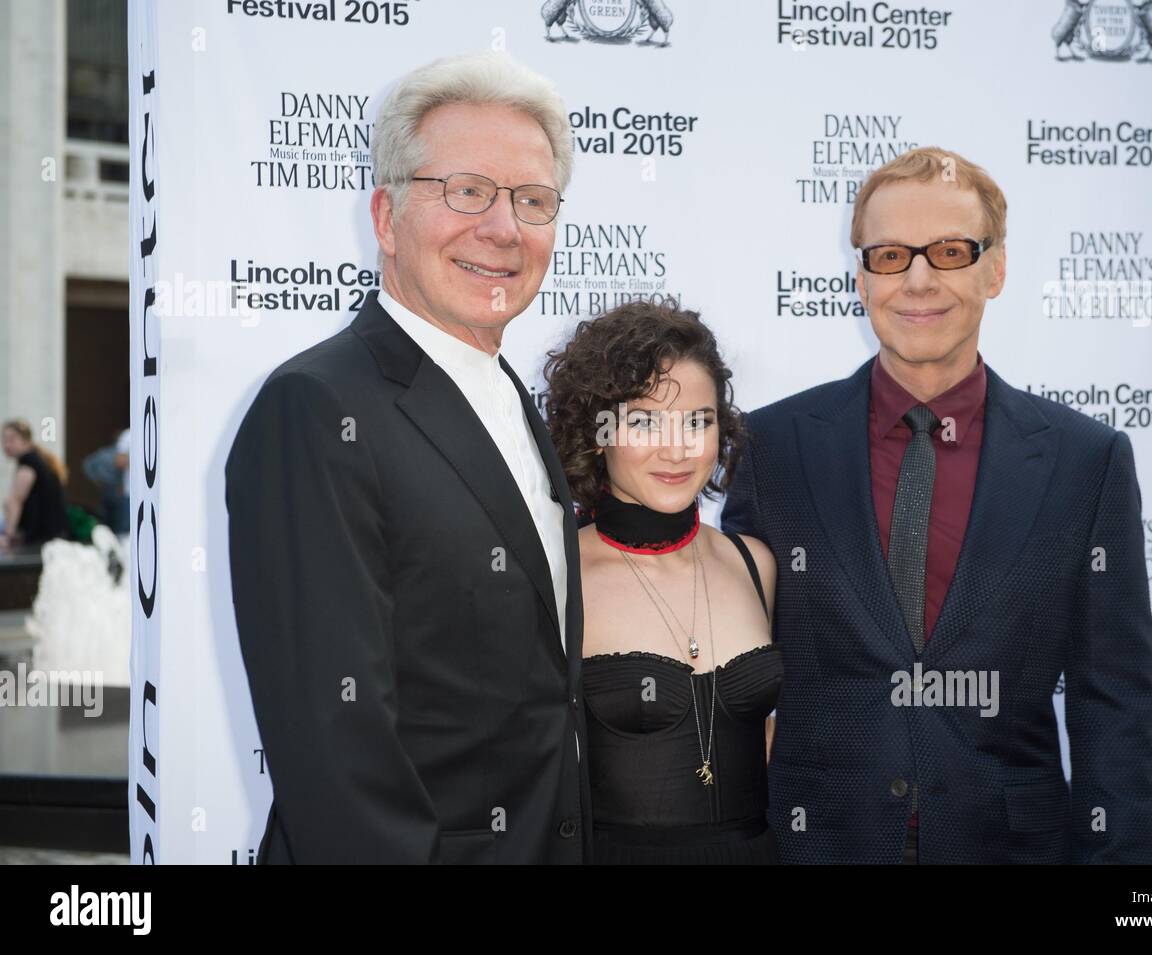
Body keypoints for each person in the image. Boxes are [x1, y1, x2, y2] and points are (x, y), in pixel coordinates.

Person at [722, 146, 1152, 864]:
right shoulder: (772, 447)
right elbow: (735, 671)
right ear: (861, 277)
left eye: (951, 251)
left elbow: (1115, 704)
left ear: (997, 269)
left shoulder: (1086, 461)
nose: (918, 279)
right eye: (890, 254)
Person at [225, 52, 588, 864]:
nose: (502, 229)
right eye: (466, 191)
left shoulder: (511, 402)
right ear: (386, 218)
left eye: (532, 200)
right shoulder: (315, 407)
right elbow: (335, 743)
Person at [544, 301, 780, 864]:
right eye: (644, 421)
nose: (677, 449)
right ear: (597, 432)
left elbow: (766, 740)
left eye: (697, 421)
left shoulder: (754, 563)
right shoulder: (557, 574)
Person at [2, 418, 72, 548]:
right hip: (54, 534)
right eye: (4, 440)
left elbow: (14, 501)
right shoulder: (39, 459)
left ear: (25, 440)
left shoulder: (28, 462)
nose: (6, 445)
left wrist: (8, 536)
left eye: (11, 440)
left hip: (42, 537)